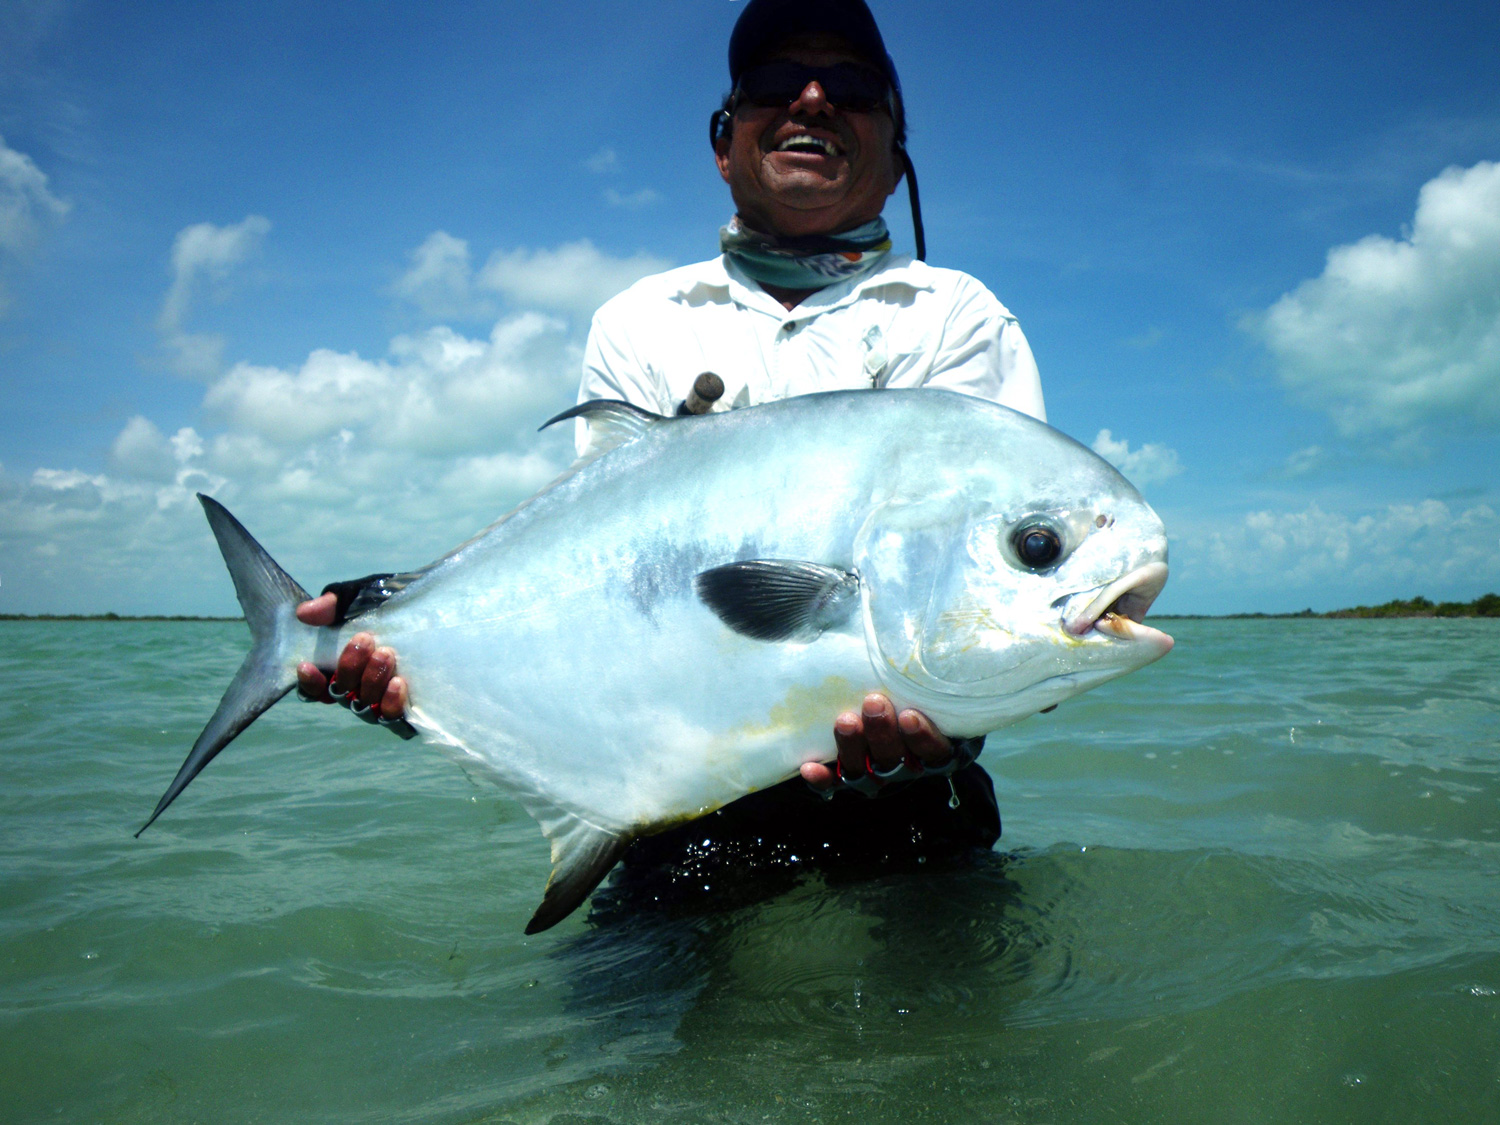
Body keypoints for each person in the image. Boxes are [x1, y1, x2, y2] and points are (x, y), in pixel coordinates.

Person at [295, 0, 1046, 891]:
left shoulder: (957, 316)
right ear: (724, 146)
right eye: (775, 85)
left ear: (894, 160)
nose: (811, 100)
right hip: (677, 814)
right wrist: (405, 640)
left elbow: (976, 596)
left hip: (914, 809)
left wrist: (932, 730)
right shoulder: (643, 322)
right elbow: (598, 598)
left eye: (851, 87)